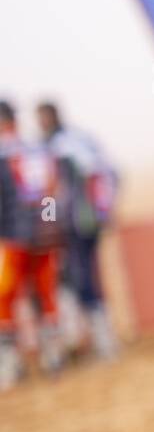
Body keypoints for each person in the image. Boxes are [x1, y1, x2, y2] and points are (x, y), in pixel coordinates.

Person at [36, 100, 119, 360]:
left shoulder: (59, 148)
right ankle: (94, 340)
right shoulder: (80, 141)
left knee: (79, 279)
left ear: (51, 117)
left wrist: (48, 222)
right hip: (87, 222)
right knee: (78, 279)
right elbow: (112, 174)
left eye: (42, 118)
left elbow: (50, 191)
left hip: (76, 225)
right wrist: (104, 211)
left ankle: (102, 342)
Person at [0, 100, 63, 389]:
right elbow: (52, 190)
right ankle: (54, 358)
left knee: (4, 299)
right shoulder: (37, 149)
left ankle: (10, 367)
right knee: (46, 294)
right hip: (44, 237)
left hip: (14, 239)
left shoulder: (5, 153)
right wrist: (48, 224)